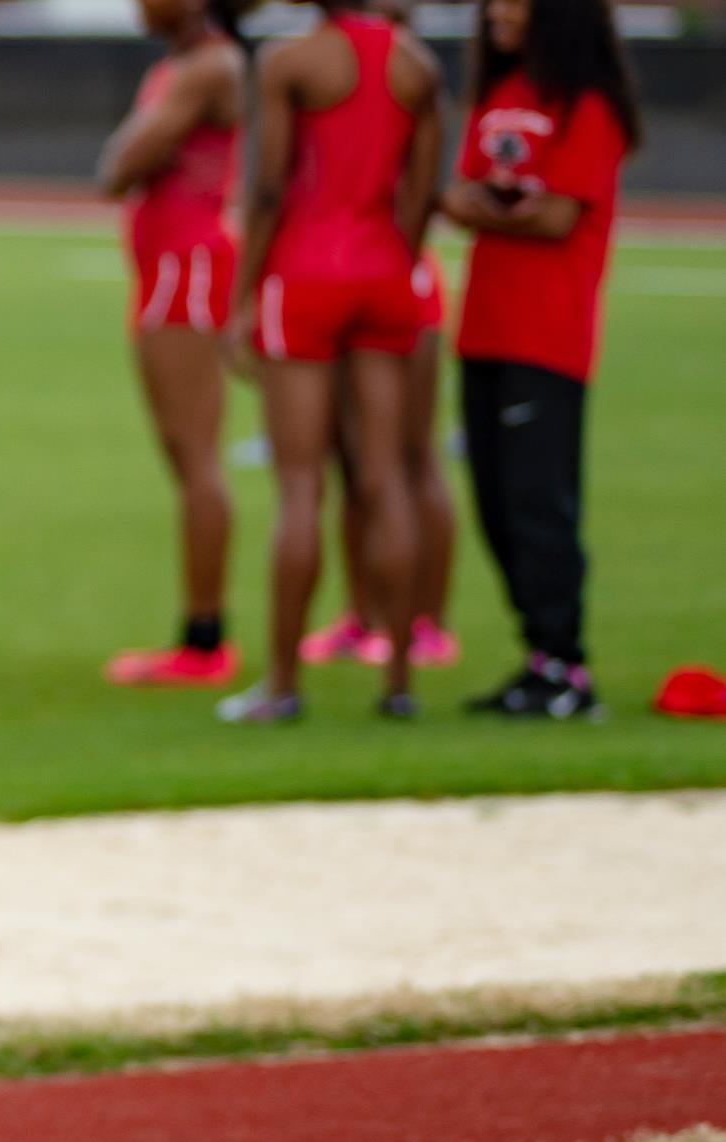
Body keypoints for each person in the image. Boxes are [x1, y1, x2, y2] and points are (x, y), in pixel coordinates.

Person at [220, 0, 439, 723]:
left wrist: (242, 295)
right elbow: (421, 189)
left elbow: (269, 185)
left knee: (300, 486)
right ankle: (400, 679)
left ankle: (282, 684)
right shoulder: (417, 65)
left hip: (306, 270)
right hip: (384, 269)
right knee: (386, 477)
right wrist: (395, 260)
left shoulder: (289, 60)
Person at [441, 0, 639, 720]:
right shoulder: (498, 94)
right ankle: (539, 659)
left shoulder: (586, 104)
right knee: (494, 504)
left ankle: (566, 668)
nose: (496, 12)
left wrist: (495, 208)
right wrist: (508, 208)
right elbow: (461, 196)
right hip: (483, 329)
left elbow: (557, 217)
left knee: (538, 505)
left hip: (548, 334)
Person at [301, 0, 460, 674]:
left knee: (409, 456)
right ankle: (361, 613)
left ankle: (424, 623)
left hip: (396, 279)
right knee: (352, 462)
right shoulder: (333, 66)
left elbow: (425, 190)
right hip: (354, 275)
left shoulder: (411, 75)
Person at [98, 0, 247, 688]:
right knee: (186, 455)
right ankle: (201, 633)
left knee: (194, 456)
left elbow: (120, 163)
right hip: (168, 269)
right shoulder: (185, 63)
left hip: (183, 271)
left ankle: (204, 639)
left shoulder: (208, 64)